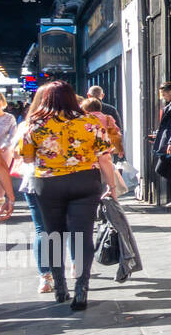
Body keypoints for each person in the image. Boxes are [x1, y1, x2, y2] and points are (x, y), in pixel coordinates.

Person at [18, 80, 117, 311]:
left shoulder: (34, 124)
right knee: (82, 235)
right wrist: (111, 185)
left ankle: (60, 288)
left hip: (49, 184)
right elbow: (105, 157)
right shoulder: (90, 122)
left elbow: (27, 158)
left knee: (53, 235)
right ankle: (81, 289)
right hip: (85, 181)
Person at [11, 89, 52, 292]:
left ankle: (45, 277)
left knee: (41, 230)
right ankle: (76, 270)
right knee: (69, 227)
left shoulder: (26, 126)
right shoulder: (76, 123)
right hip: (67, 181)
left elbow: (20, 155)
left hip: (35, 180)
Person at [151, 82, 171, 209]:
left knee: (164, 168)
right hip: (167, 141)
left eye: (164, 93)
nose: (162, 96)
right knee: (163, 168)